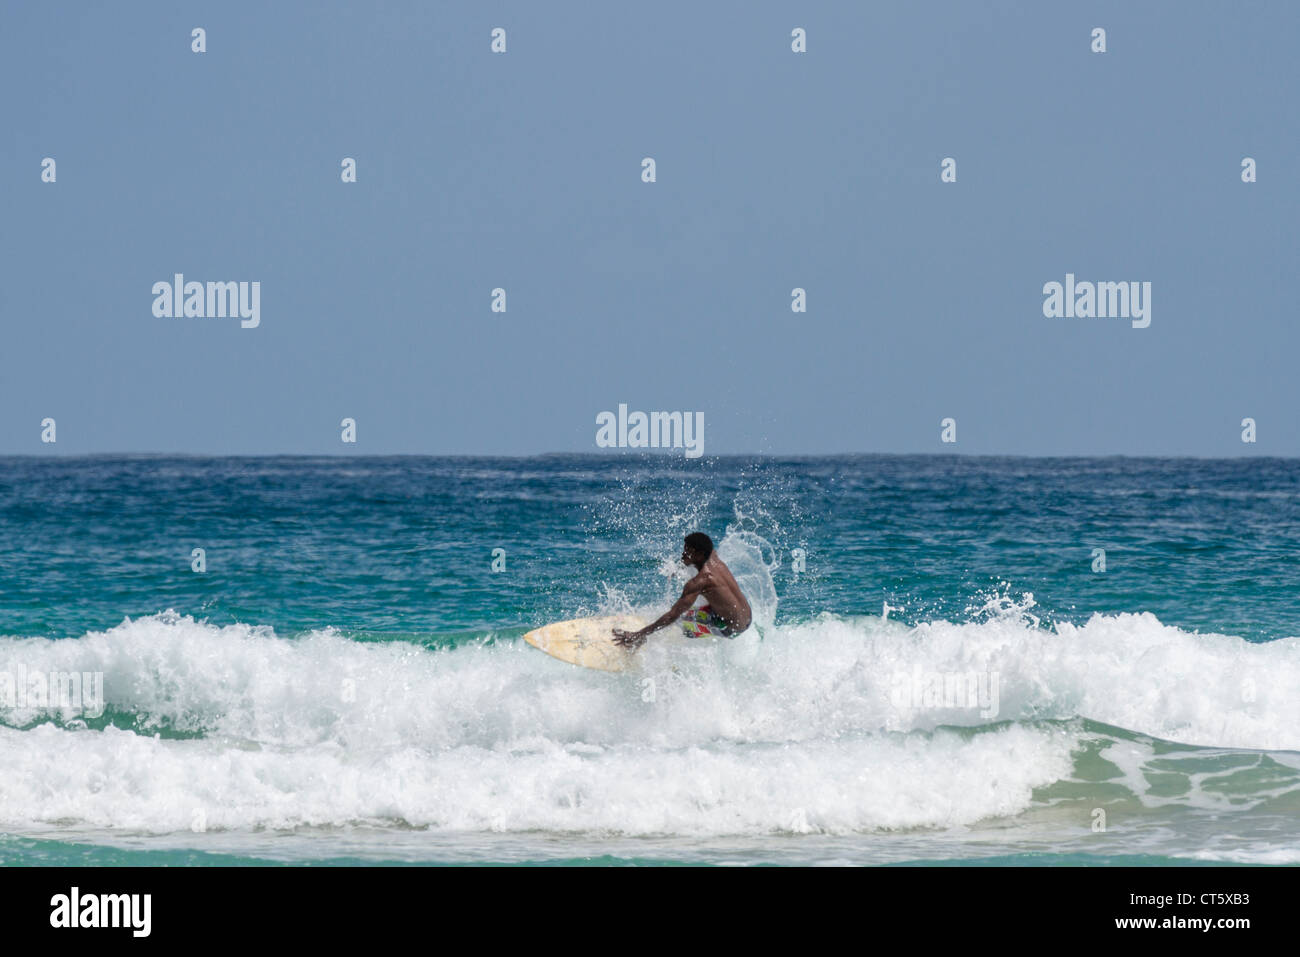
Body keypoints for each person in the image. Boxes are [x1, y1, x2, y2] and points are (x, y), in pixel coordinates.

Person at [612, 532, 752, 648]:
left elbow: (672, 615)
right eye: (684, 549)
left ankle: (640, 640)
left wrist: (639, 633)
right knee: (699, 609)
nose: (683, 554)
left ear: (700, 555)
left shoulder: (701, 581)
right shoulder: (713, 556)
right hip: (747, 616)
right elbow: (703, 548)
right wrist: (680, 566)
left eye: (688, 552)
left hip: (732, 628)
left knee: (682, 624)